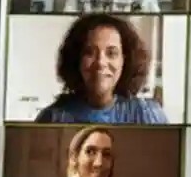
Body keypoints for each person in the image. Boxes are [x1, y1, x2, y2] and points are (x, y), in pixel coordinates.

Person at [34, 14, 169, 124]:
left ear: (125, 60)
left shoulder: (146, 115)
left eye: (111, 53)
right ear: (76, 59)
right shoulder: (53, 118)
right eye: (89, 52)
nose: (100, 62)